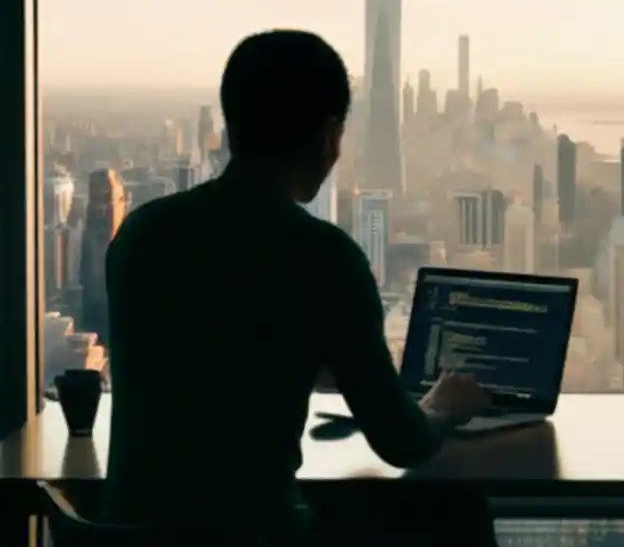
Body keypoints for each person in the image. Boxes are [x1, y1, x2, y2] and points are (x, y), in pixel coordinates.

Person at [103, 30, 497, 545]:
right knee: (457, 512)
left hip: (125, 538)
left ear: (231, 125)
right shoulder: (324, 256)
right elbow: (401, 442)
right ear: (330, 135)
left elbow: (207, 359)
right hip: (255, 538)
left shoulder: (140, 235)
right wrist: (442, 404)